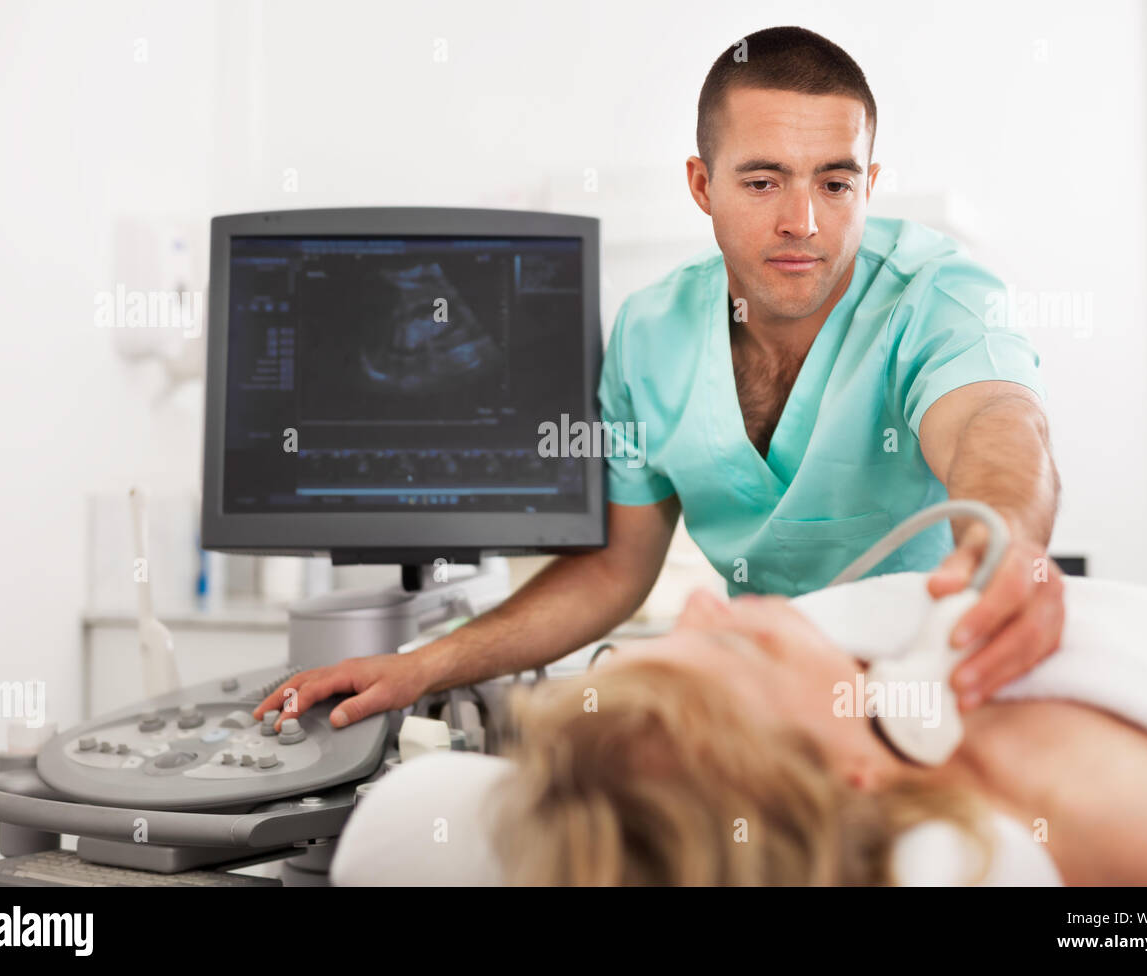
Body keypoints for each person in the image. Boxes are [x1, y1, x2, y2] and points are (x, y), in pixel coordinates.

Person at [254, 26, 1063, 734]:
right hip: (770, 702)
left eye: (835, 182)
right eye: (762, 180)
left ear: (869, 186)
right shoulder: (651, 334)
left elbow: (995, 425)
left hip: (934, 688)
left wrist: (1009, 552)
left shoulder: (938, 298)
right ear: (702, 186)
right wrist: (422, 667)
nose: (803, 221)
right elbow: (615, 569)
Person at [488, 589, 1147, 884]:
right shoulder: (1103, 806)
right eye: (730, 649)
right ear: (849, 771)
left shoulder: (868, 678)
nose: (702, 603)